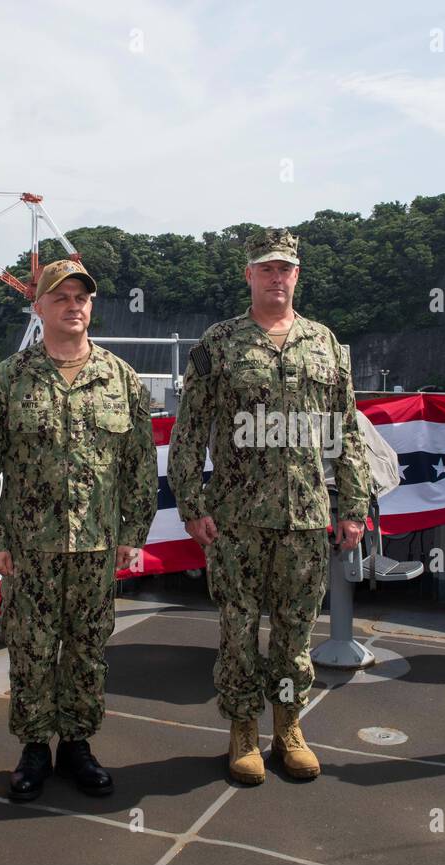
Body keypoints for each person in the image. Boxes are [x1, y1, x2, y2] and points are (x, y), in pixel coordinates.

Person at [168, 228, 370, 785]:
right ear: (249, 275)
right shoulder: (218, 343)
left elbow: (346, 431)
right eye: (266, 268)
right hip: (235, 518)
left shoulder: (325, 342)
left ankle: (288, 727)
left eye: (285, 269)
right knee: (237, 629)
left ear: (296, 276)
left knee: (295, 630)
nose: (276, 277)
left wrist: (353, 505)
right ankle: (242, 730)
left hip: (304, 514)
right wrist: (191, 502)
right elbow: (191, 429)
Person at [0, 258, 157, 800]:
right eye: (61, 297)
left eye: (82, 298)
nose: (74, 306)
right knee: (31, 649)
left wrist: (133, 534)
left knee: (88, 650)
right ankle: (32, 748)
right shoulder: (6, 380)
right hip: (29, 550)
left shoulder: (121, 379)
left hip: (96, 545)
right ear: (39, 306)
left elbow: (140, 465)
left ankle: (77, 744)